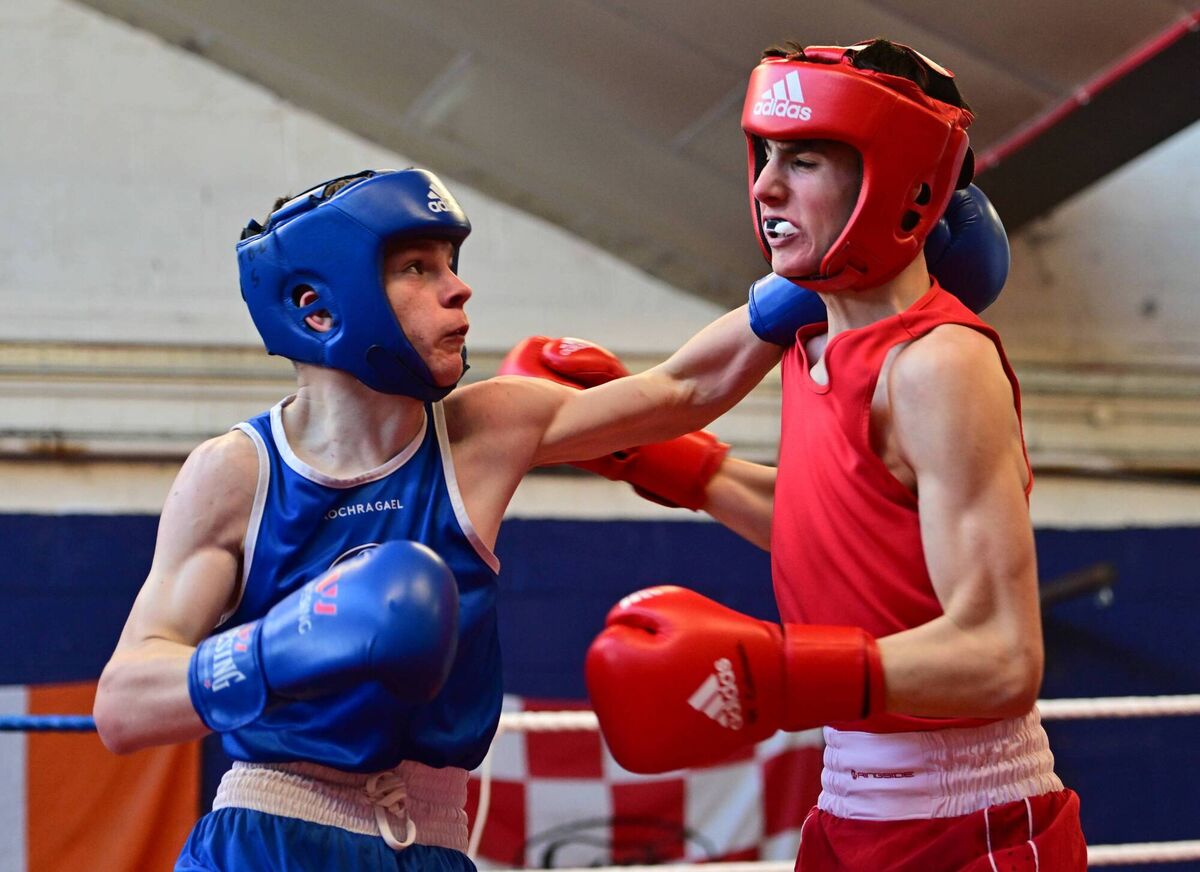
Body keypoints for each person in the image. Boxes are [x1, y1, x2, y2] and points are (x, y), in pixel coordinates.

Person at [509, 40, 1088, 870]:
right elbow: (711, 415)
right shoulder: (804, 320)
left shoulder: (938, 363)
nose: (766, 187)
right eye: (766, 155)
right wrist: (669, 465)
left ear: (898, 180)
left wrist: (780, 675)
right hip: (848, 805)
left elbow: (1003, 654)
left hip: (973, 819)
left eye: (805, 159)